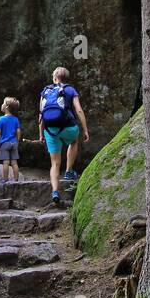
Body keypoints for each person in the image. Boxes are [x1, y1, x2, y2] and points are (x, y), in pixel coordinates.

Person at [38, 67, 89, 207]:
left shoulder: (46, 91)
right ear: (66, 78)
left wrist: (41, 134)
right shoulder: (70, 90)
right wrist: (85, 129)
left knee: (54, 163)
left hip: (50, 130)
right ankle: (68, 171)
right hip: (68, 127)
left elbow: (41, 114)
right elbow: (78, 110)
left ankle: (55, 191)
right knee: (74, 141)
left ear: (54, 77)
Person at [0, 97, 22, 185]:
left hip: (4, 143)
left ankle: (5, 180)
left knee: (5, 162)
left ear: (6, 107)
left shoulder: (1, 119)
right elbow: (18, 131)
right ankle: (16, 180)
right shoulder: (15, 119)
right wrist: (17, 141)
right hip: (14, 143)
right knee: (14, 162)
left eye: (3, 103)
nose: (1, 105)